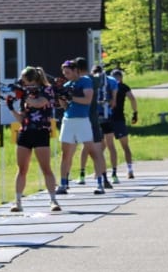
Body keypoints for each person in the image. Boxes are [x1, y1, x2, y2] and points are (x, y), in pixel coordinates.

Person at [6, 66, 62, 212]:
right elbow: (22, 118)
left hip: (41, 131)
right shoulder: (26, 94)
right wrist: (11, 108)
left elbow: (39, 103)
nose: (23, 84)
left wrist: (24, 95)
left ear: (32, 80)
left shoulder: (46, 90)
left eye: (25, 81)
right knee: (22, 169)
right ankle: (17, 201)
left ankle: (53, 200)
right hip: (25, 131)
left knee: (46, 168)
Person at [55, 58, 108, 195]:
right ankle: (63, 183)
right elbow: (65, 106)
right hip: (68, 120)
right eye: (64, 73)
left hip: (83, 120)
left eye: (68, 72)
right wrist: (61, 95)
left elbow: (87, 100)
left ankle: (100, 183)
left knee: (92, 151)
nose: (66, 75)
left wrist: (71, 96)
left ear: (76, 71)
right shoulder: (67, 84)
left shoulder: (86, 81)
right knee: (65, 154)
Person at [79, 66, 117, 185]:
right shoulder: (110, 80)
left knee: (90, 147)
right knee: (105, 147)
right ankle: (109, 174)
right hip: (105, 115)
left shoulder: (86, 81)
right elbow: (113, 101)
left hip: (93, 117)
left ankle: (84, 173)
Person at [107, 69, 139, 179]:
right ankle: (130, 170)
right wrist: (135, 113)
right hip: (119, 118)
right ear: (121, 77)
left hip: (108, 118)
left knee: (104, 146)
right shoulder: (124, 87)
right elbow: (132, 99)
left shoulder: (107, 87)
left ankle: (101, 171)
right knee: (125, 146)